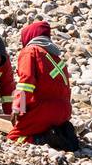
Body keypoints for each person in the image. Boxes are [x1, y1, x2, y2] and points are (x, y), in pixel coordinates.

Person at [9, 21, 78, 150]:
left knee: (15, 136)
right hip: (64, 111)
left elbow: (26, 82)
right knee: (41, 125)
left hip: (44, 110)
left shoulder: (30, 51)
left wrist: (18, 108)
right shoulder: (56, 57)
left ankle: (44, 139)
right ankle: (61, 130)